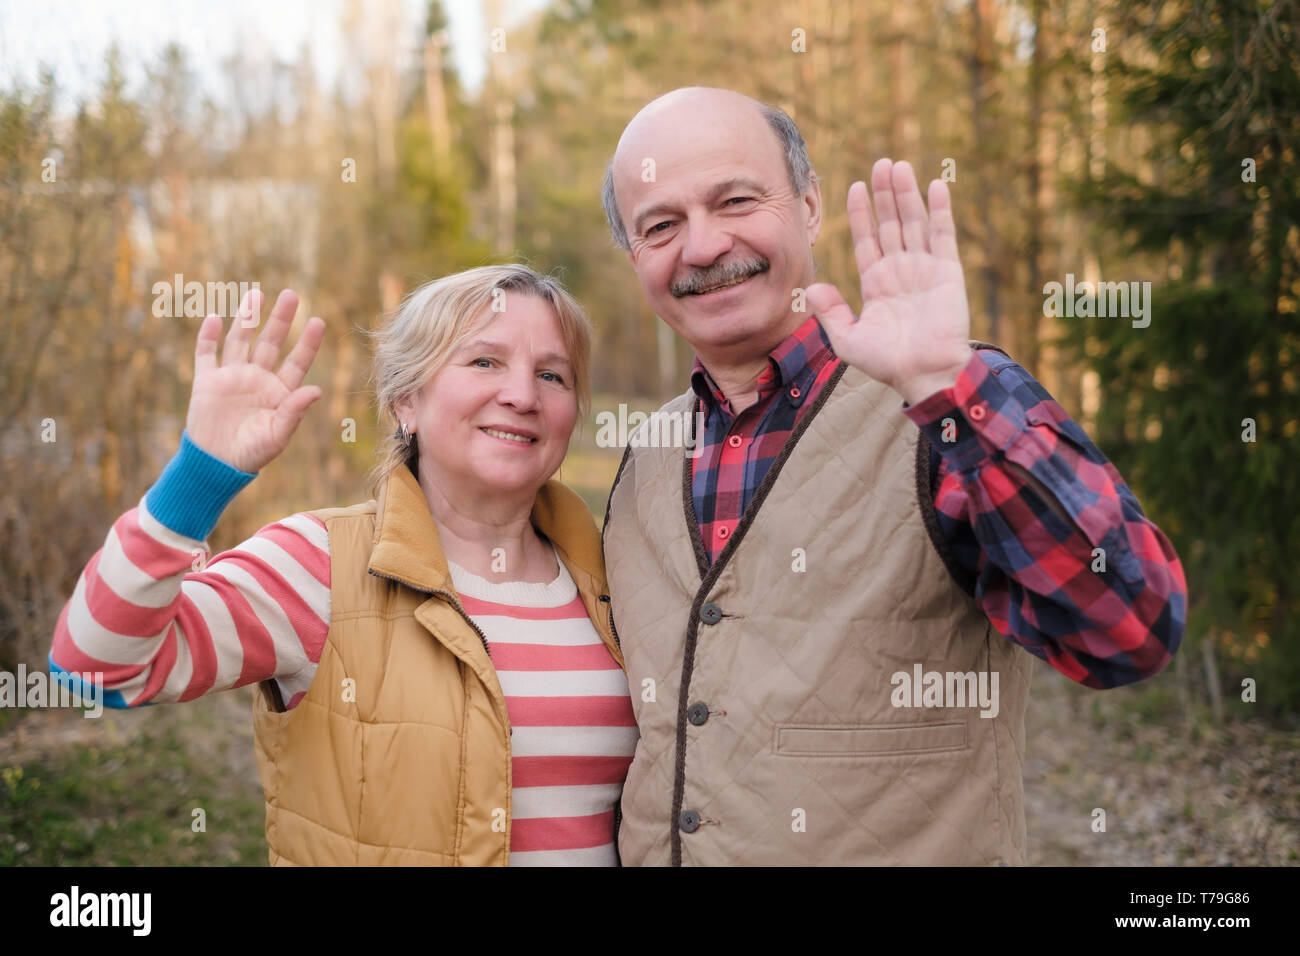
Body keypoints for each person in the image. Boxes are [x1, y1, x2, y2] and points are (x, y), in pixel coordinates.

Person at [599, 87, 1188, 865]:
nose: (702, 246)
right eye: (661, 225)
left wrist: (949, 386)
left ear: (809, 207)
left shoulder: (943, 405)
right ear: (635, 257)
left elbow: (1129, 630)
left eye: (735, 200)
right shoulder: (642, 461)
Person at [50, 264, 637, 866]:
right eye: (484, 362)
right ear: (406, 399)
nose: (522, 395)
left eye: (552, 374)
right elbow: (96, 665)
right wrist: (197, 477)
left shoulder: (619, 579)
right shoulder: (321, 564)